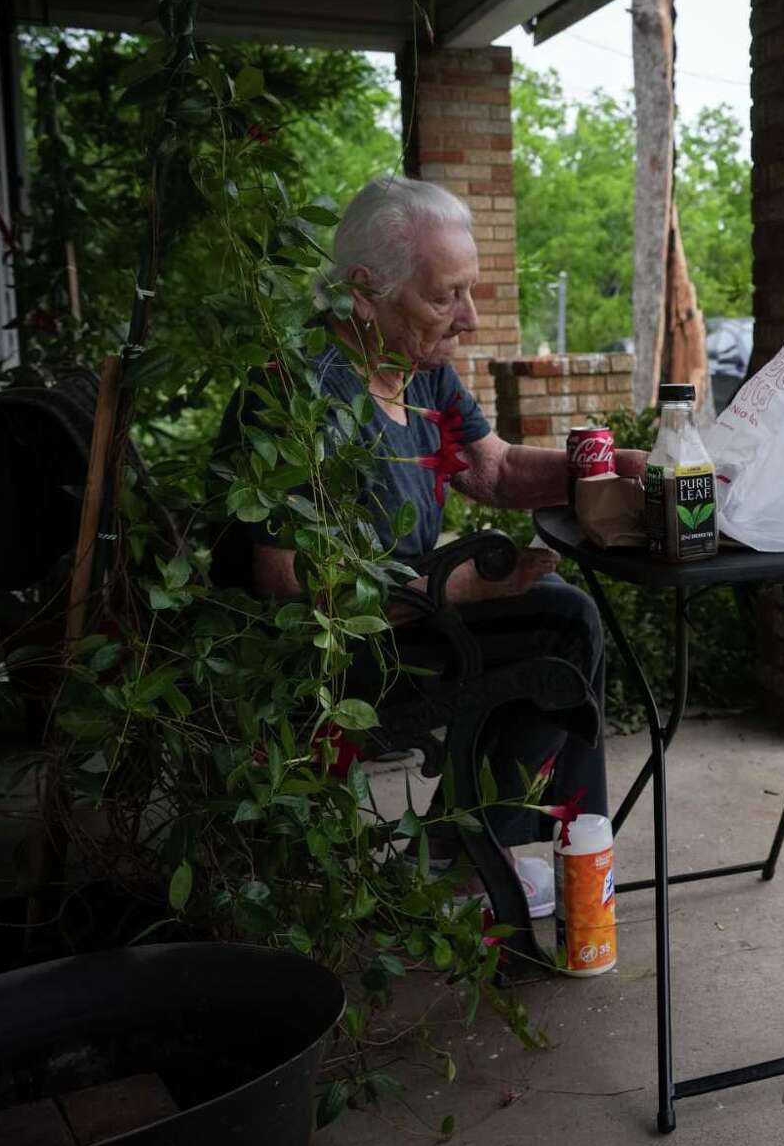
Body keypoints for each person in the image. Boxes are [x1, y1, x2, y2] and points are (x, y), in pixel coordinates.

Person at [236, 173, 635, 880]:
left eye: (469, 291)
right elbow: (285, 580)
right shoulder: (296, 392)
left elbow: (495, 471)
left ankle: (489, 846)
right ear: (365, 292)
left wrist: (616, 467)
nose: (469, 318)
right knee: (560, 626)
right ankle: (474, 861)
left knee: (560, 614)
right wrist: (457, 588)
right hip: (333, 655)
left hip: (412, 617)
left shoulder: (417, 371)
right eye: (446, 295)